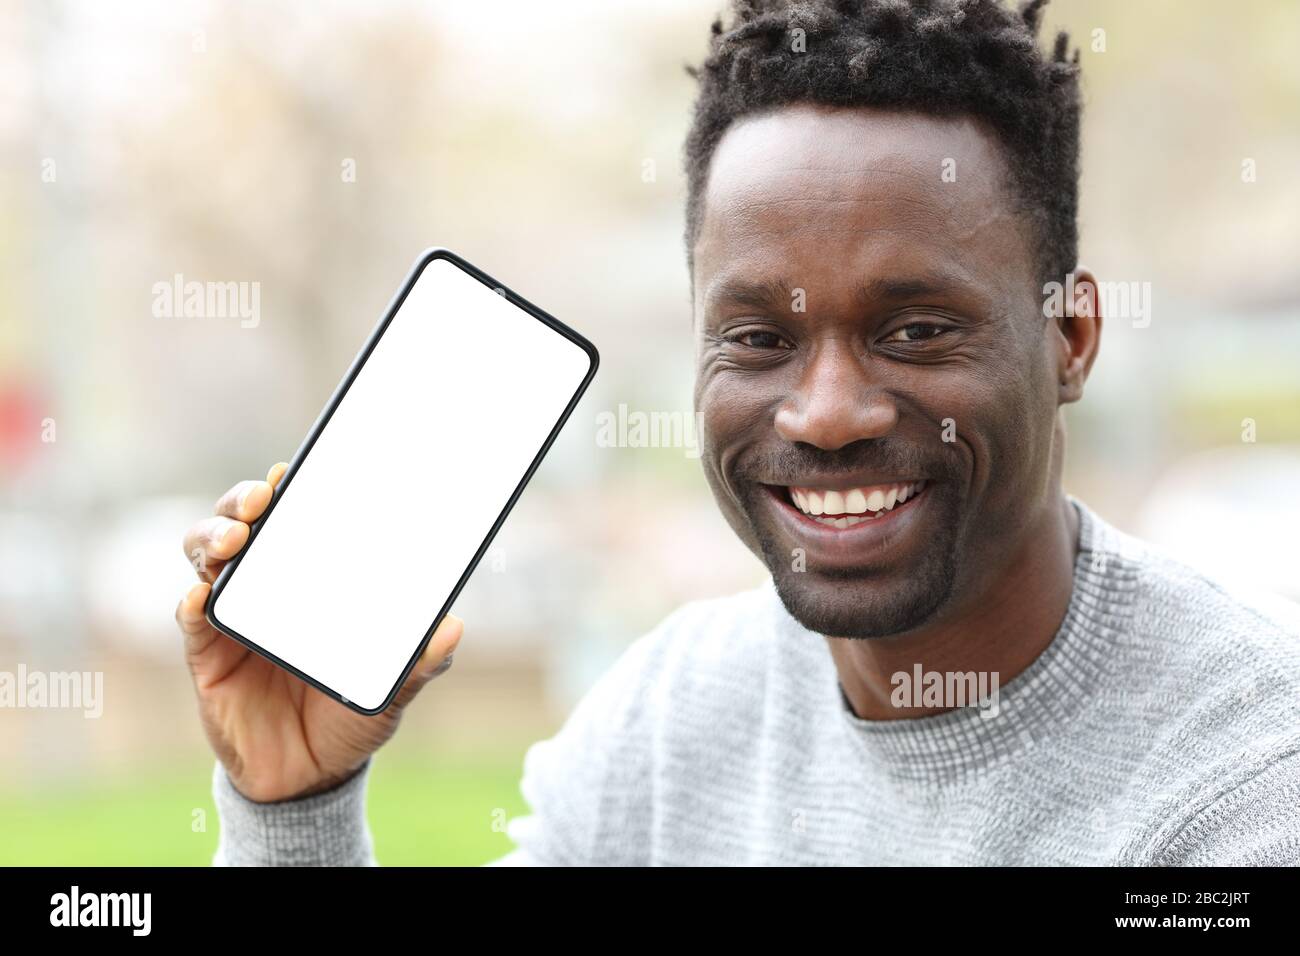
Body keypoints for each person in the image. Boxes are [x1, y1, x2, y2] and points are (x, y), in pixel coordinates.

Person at [175, 0, 1300, 865]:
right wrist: (293, 809)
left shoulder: (1239, 783)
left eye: (913, 329)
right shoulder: (666, 718)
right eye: (759, 338)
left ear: (1070, 338)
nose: (824, 413)